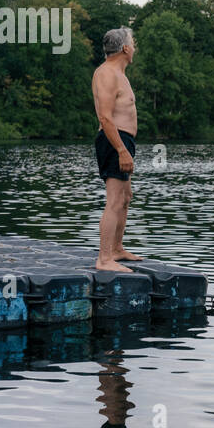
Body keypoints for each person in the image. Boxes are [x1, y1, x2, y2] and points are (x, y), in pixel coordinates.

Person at [92, 27, 142, 272]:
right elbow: (105, 117)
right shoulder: (107, 74)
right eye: (132, 43)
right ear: (124, 48)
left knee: (125, 197)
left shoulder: (119, 73)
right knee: (114, 200)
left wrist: (126, 148)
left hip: (124, 141)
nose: (134, 48)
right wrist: (121, 150)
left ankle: (116, 249)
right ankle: (104, 259)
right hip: (114, 141)